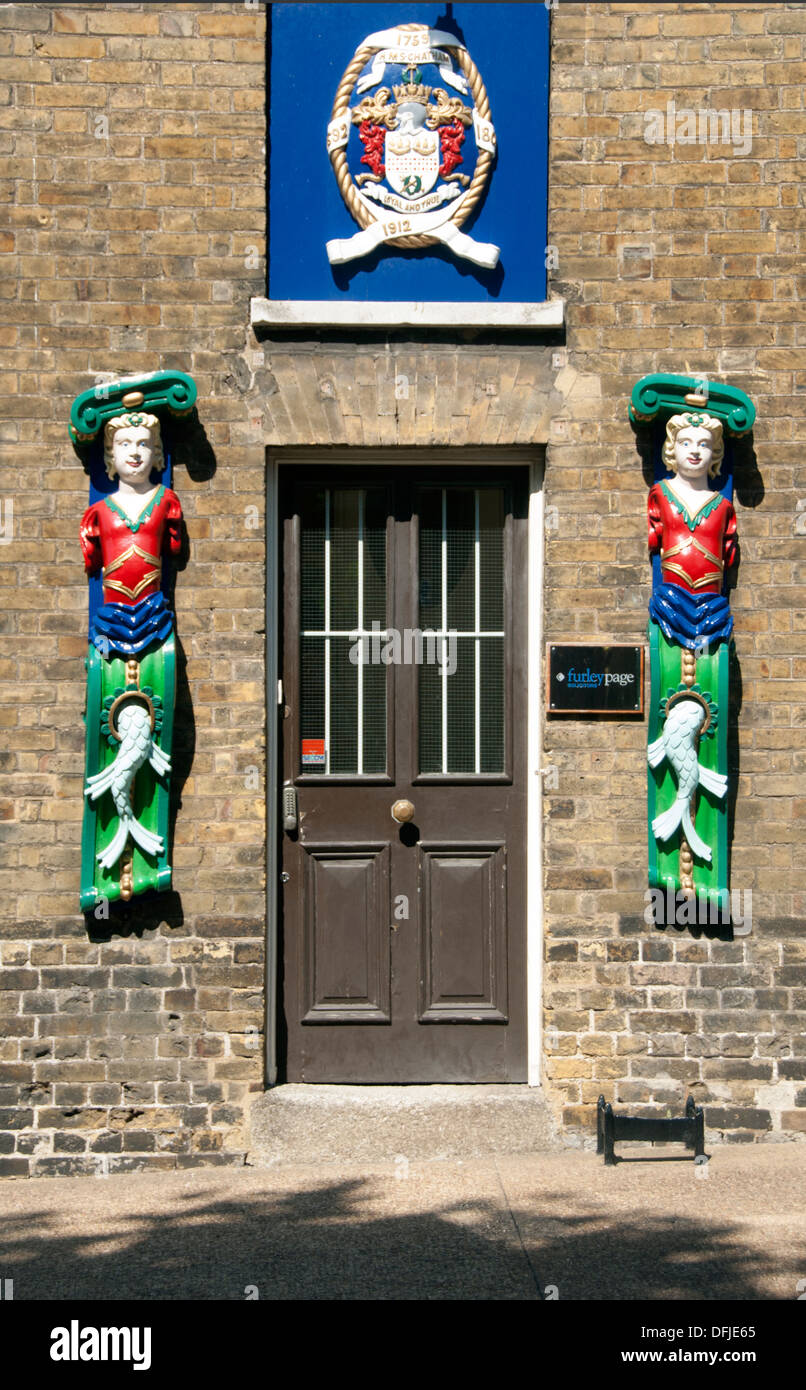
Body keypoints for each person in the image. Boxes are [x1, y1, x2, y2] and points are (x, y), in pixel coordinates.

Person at [79, 412, 182, 659]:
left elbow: (174, 548)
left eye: (143, 444)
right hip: (110, 618)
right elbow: (92, 564)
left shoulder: (166, 501)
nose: (134, 453)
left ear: (156, 452)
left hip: (153, 615)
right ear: (110, 453)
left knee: (161, 663)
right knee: (100, 661)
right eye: (124, 444)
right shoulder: (98, 512)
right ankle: (101, 661)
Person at [647, 412, 737, 650]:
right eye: (685, 443)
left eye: (704, 444)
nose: (695, 451)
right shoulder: (660, 494)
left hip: (712, 604)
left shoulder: (724, 506)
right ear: (672, 449)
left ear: (715, 451)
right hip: (671, 600)